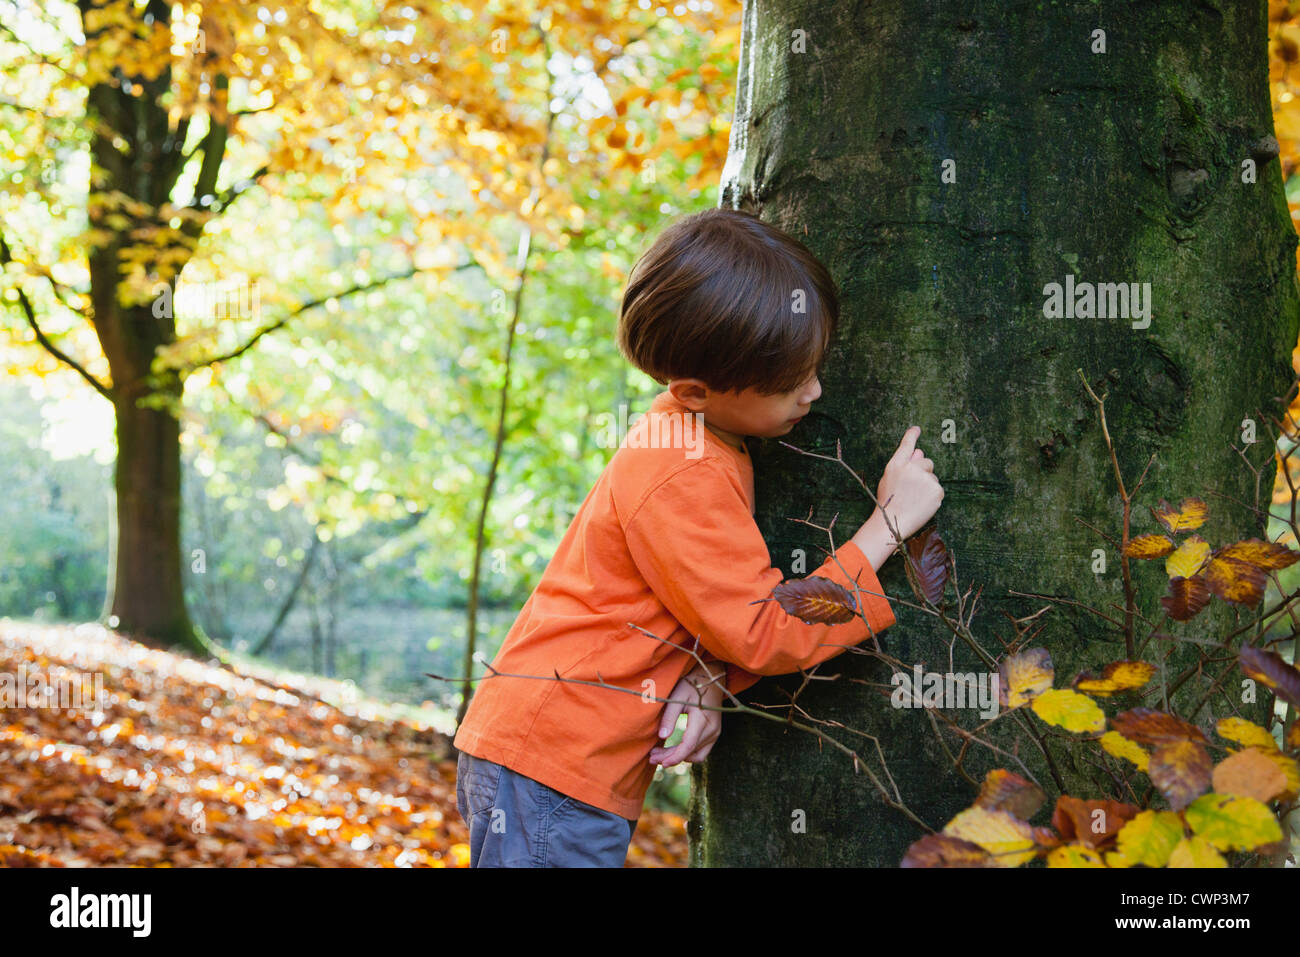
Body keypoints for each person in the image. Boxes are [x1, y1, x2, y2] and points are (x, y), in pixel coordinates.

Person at [452, 207, 944, 866]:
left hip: (553, 761)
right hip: (551, 766)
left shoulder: (695, 437)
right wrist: (887, 525)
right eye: (789, 383)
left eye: (813, 368)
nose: (814, 392)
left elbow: (710, 607)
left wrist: (710, 673)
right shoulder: (682, 469)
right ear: (695, 389)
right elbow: (766, 628)